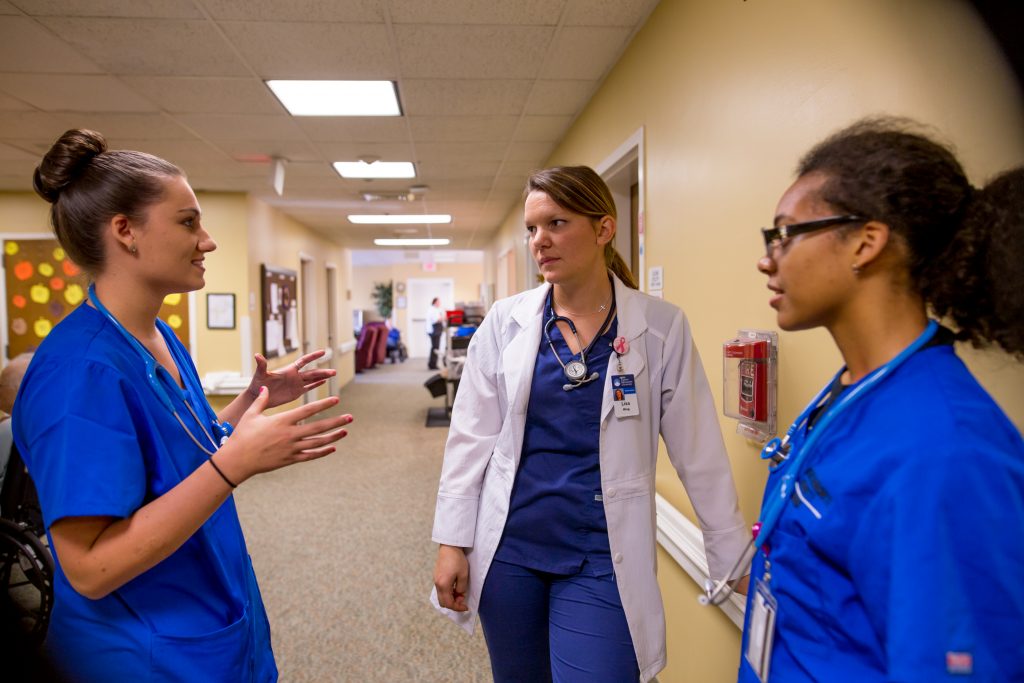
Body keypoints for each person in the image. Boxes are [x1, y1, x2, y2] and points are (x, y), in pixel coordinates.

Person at [12, 129, 354, 682]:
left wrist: (251, 402)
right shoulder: (80, 374)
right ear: (125, 231)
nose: (208, 241)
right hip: (140, 654)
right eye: (188, 222)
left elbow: (181, 452)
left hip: (208, 619)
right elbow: (91, 569)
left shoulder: (157, 338)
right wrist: (235, 464)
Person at [732, 118, 1024, 682]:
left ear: (866, 241)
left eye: (787, 234)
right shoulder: (849, 394)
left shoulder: (947, 451)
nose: (768, 259)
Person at [431, 165, 748, 683]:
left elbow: (699, 452)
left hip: (601, 554)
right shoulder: (504, 322)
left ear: (604, 228)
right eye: (532, 229)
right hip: (510, 551)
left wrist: (729, 551)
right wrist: (450, 542)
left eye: (556, 223)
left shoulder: (660, 327)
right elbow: (470, 440)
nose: (540, 242)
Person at [427, 297, 444, 370]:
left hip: (436, 330)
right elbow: (437, 320)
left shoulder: (436, 309)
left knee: (434, 347)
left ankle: (432, 364)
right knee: (435, 348)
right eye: (438, 302)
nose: (439, 303)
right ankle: (432, 364)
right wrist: (443, 318)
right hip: (434, 330)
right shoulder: (432, 310)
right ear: (434, 302)